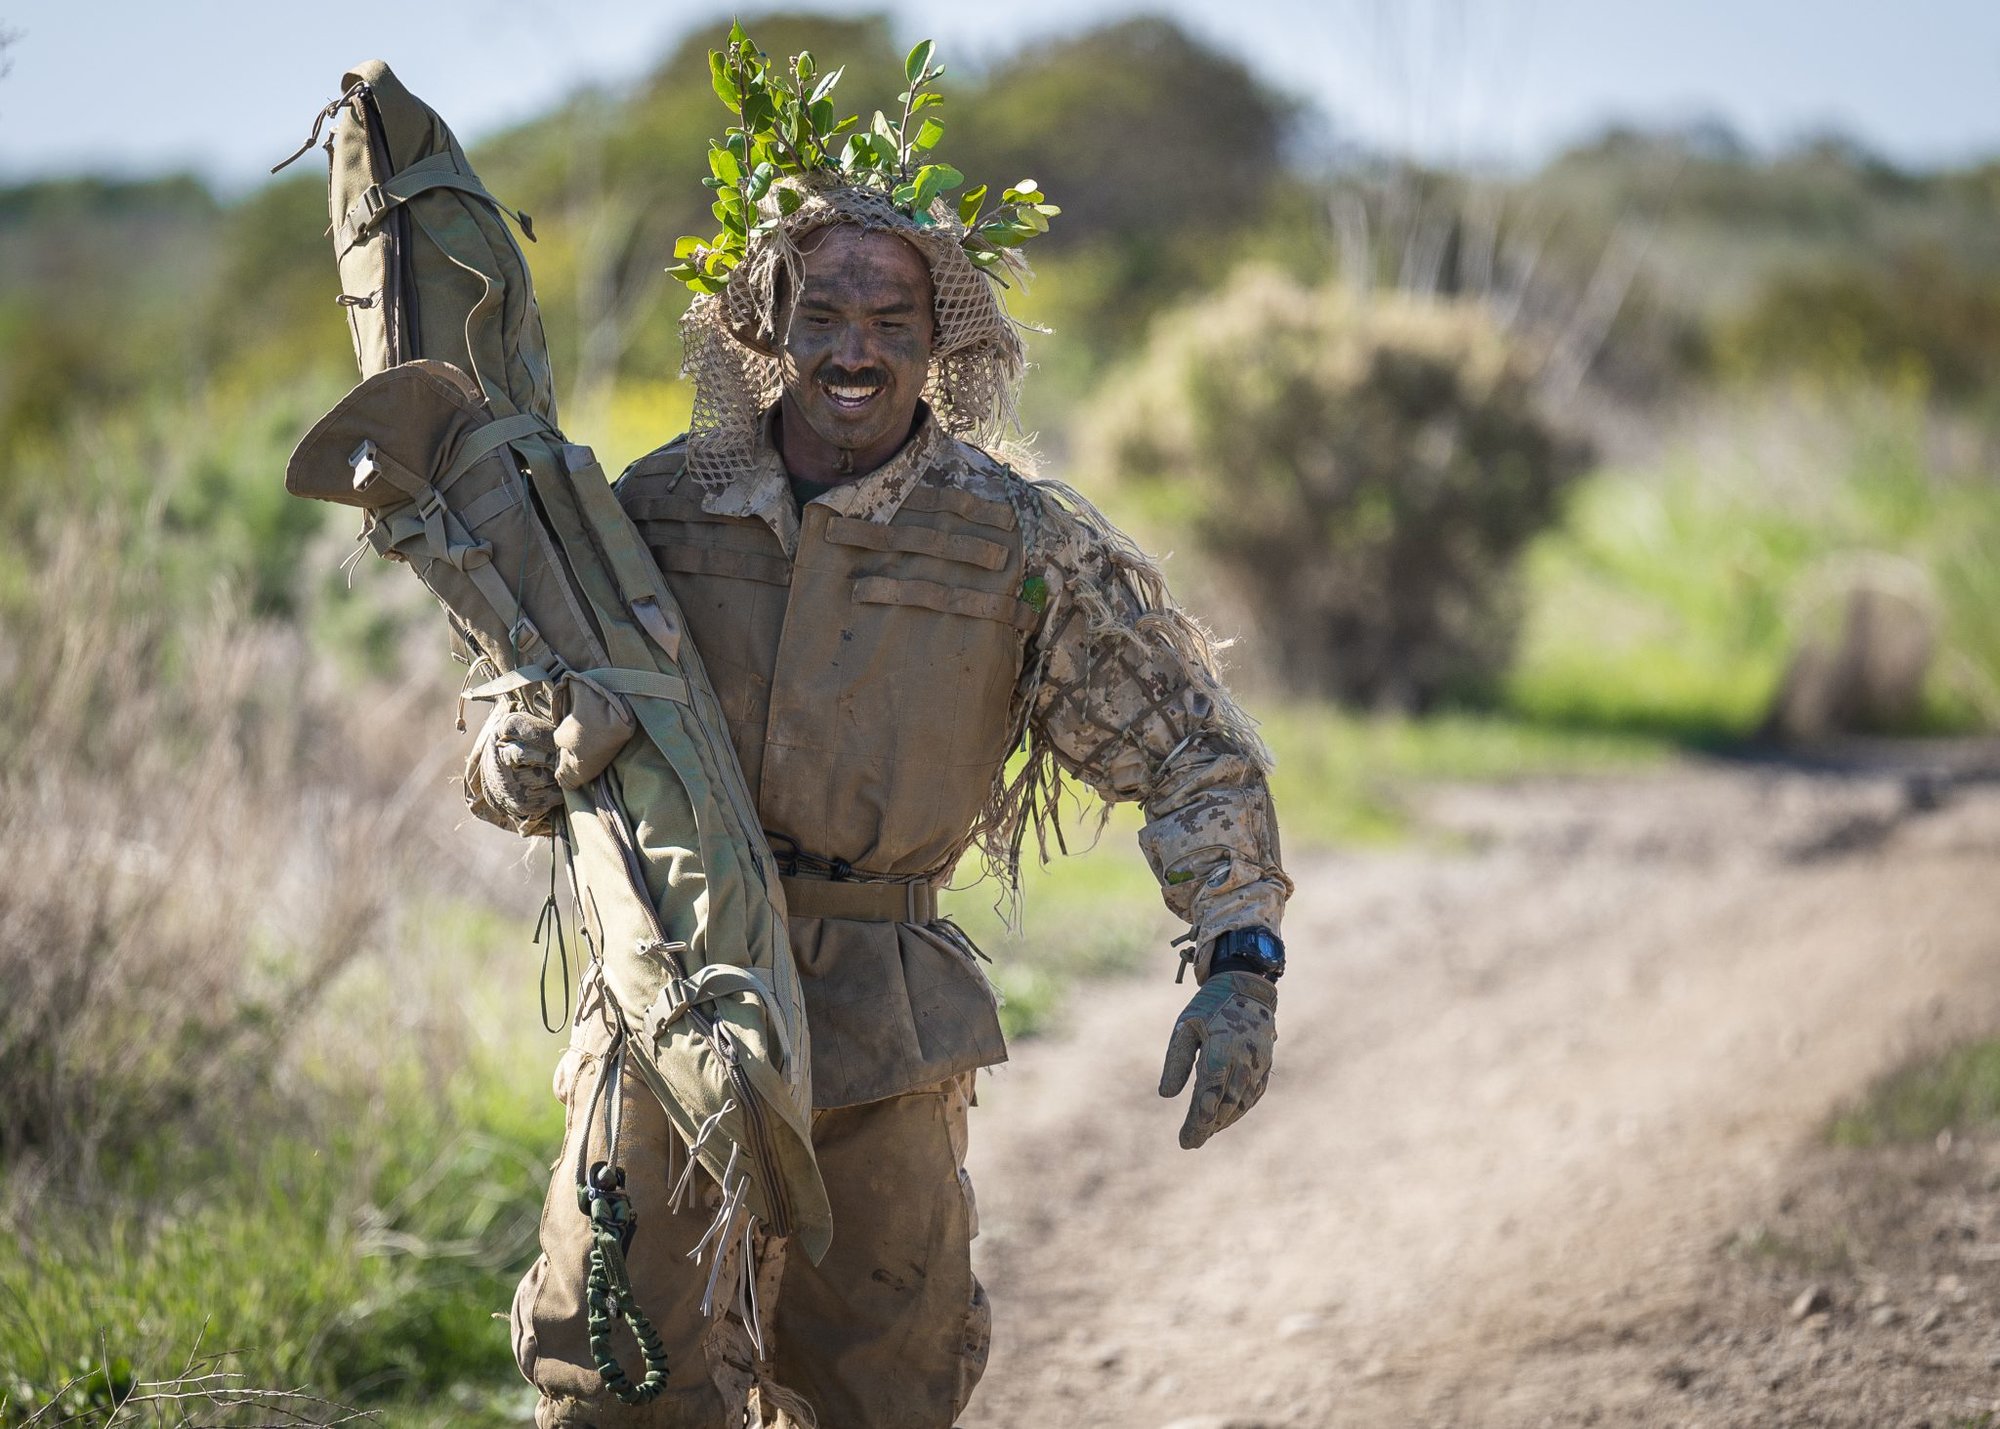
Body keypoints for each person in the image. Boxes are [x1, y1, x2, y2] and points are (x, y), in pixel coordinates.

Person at [469, 165, 1292, 1429]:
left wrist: (1239, 961)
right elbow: (520, 711)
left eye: (890, 322)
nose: (853, 351)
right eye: (822, 316)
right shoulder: (653, 509)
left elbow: (1189, 746)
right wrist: (517, 762)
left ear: (938, 344)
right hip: (665, 995)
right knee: (611, 1379)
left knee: (880, 1392)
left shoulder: (1008, 541)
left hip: (881, 1026)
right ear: (770, 330)